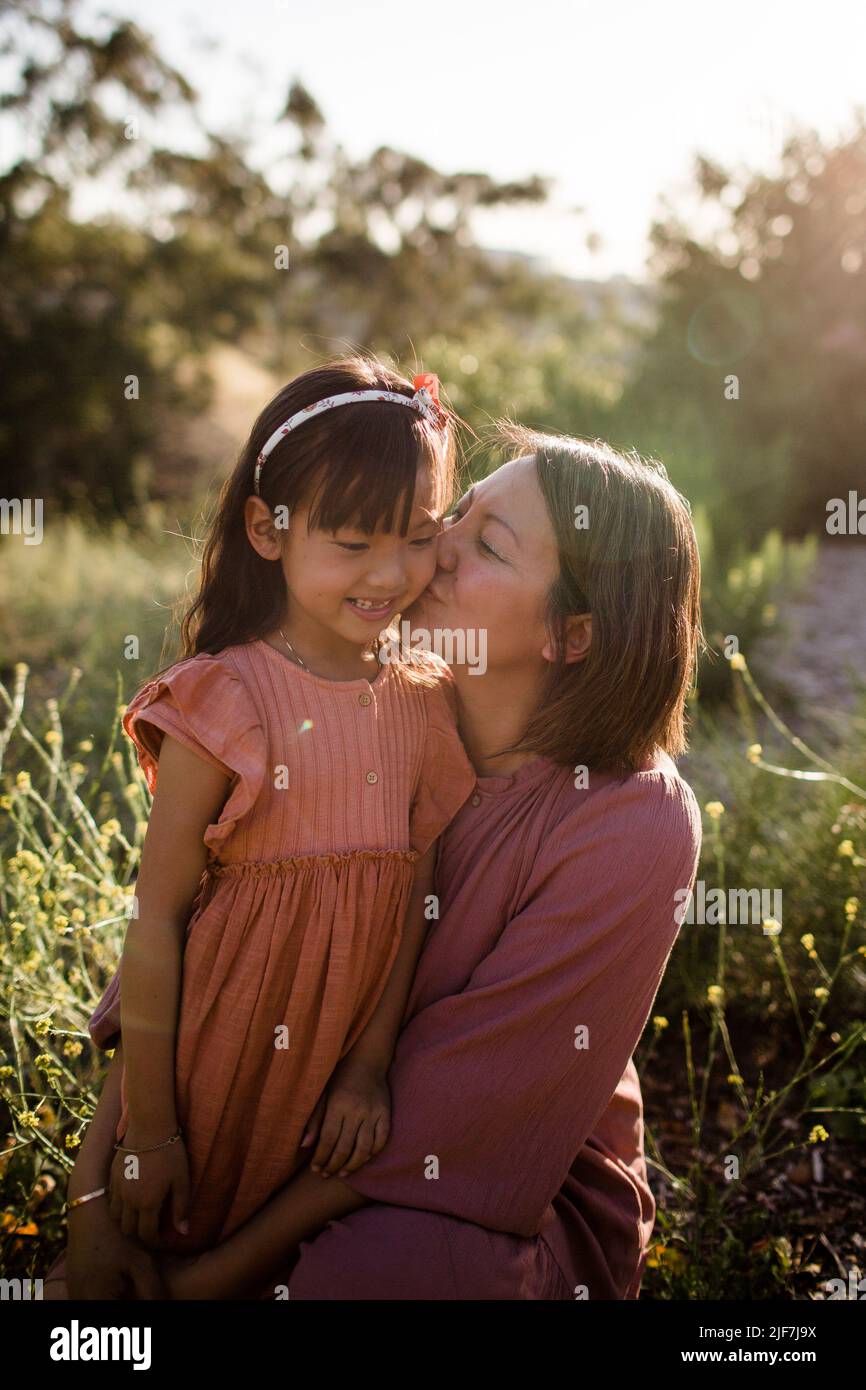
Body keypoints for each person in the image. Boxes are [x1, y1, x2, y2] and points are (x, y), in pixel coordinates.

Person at [44, 421, 703, 1301]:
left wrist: (204, 1284)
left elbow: (457, 1114)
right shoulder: (354, 705)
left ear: (571, 634)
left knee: (370, 1279)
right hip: (280, 1117)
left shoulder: (632, 825)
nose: (431, 552)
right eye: (454, 513)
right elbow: (195, 953)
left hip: (481, 1190)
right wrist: (94, 1204)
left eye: (488, 547)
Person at [46, 353, 478, 1270]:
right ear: (267, 528)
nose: (389, 573)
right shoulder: (221, 700)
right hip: (201, 1064)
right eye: (352, 542)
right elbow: (159, 923)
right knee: (137, 1268)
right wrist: (149, 1133)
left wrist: (366, 1071)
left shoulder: (428, 703)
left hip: (328, 1084)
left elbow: (411, 905)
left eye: (417, 535)